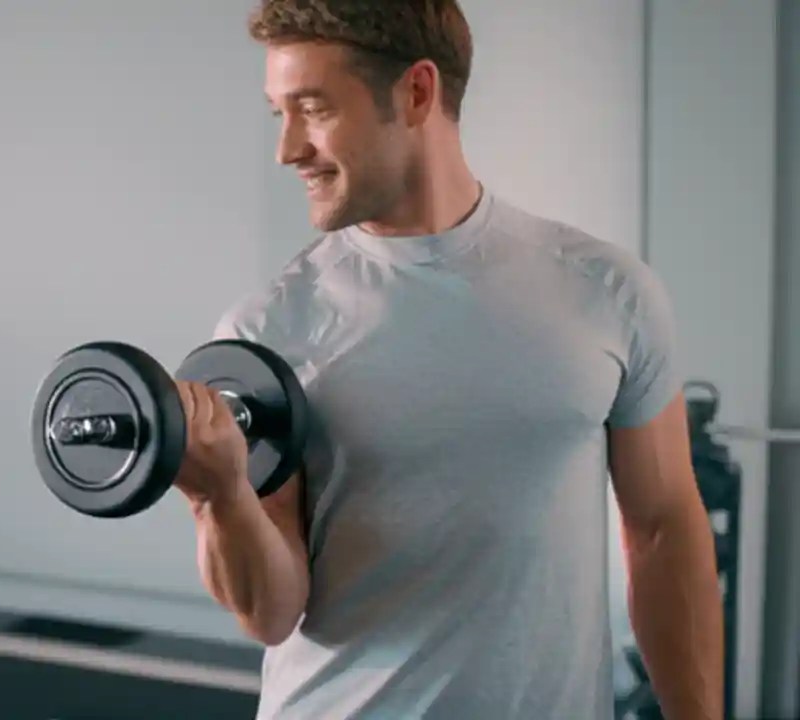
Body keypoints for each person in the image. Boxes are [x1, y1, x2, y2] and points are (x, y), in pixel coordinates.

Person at [169, 1, 725, 718]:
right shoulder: (267, 330)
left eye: (313, 109)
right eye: (280, 113)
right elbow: (271, 614)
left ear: (417, 92)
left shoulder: (607, 291)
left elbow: (662, 528)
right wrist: (218, 497)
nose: (288, 149)